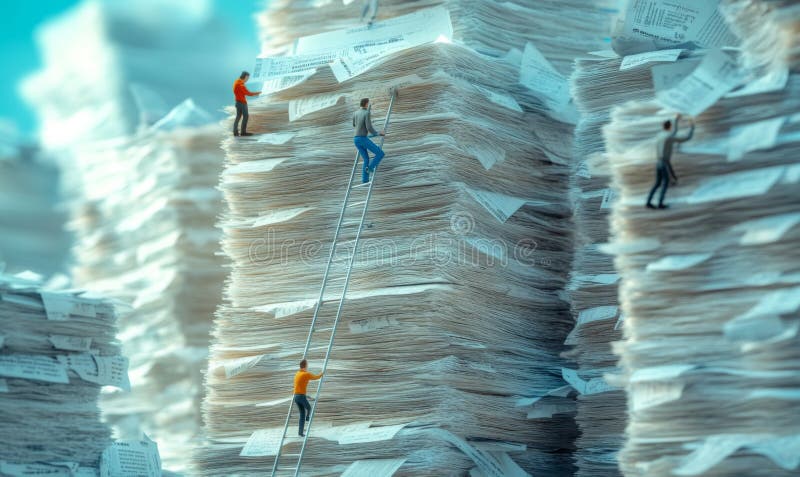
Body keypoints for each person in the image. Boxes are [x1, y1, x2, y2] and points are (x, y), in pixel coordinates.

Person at [646, 114, 694, 209]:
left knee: (657, 183)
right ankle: (660, 203)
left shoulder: (659, 136)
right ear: (670, 127)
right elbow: (685, 138)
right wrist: (692, 128)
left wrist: (676, 119)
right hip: (664, 163)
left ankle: (648, 202)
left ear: (663, 127)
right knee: (665, 182)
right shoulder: (669, 137)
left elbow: (674, 131)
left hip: (658, 162)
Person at [353, 98, 385, 183]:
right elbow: (369, 127)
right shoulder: (366, 113)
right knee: (380, 153)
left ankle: (365, 180)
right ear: (366, 104)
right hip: (362, 138)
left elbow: (354, 125)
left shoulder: (355, 113)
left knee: (366, 159)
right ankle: (370, 168)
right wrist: (377, 133)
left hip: (355, 139)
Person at [293, 359, 323, 437]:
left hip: (296, 397)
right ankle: (308, 418)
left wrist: (307, 396)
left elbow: (299, 386)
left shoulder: (297, 373)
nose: (308, 366)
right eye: (307, 365)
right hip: (301, 396)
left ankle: (300, 433)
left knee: (302, 415)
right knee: (309, 408)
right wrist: (322, 373)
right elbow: (316, 377)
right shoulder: (306, 374)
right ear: (305, 366)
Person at [232, 71, 261, 137]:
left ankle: (235, 132)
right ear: (245, 77)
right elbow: (248, 93)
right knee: (245, 116)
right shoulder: (240, 84)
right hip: (242, 103)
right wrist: (257, 93)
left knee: (238, 116)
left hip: (237, 102)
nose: (247, 79)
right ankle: (243, 132)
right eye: (247, 78)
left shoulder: (236, 81)